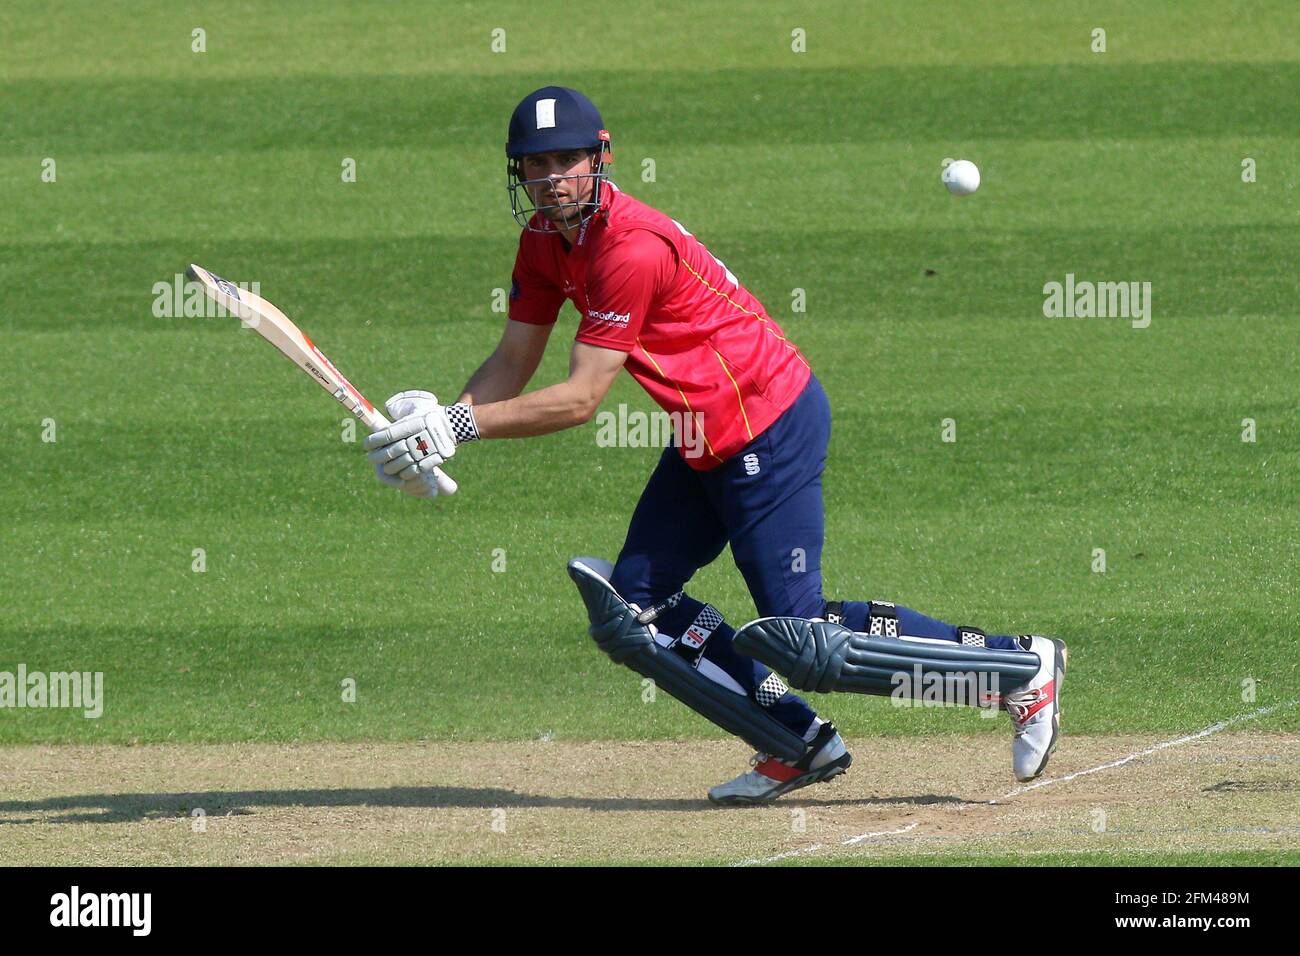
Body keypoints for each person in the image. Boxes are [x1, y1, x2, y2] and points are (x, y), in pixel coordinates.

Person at [364, 86, 1067, 805]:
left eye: (565, 160)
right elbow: (512, 360)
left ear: (599, 157)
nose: (551, 178)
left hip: (770, 420)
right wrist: (441, 419)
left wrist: (455, 427)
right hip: (704, 431)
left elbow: (580, 398)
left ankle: (1015, 670)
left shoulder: (629, 250)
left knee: (802, 635)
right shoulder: (545, 241)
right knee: (633, 608)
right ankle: (795, 743)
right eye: (534, 164)